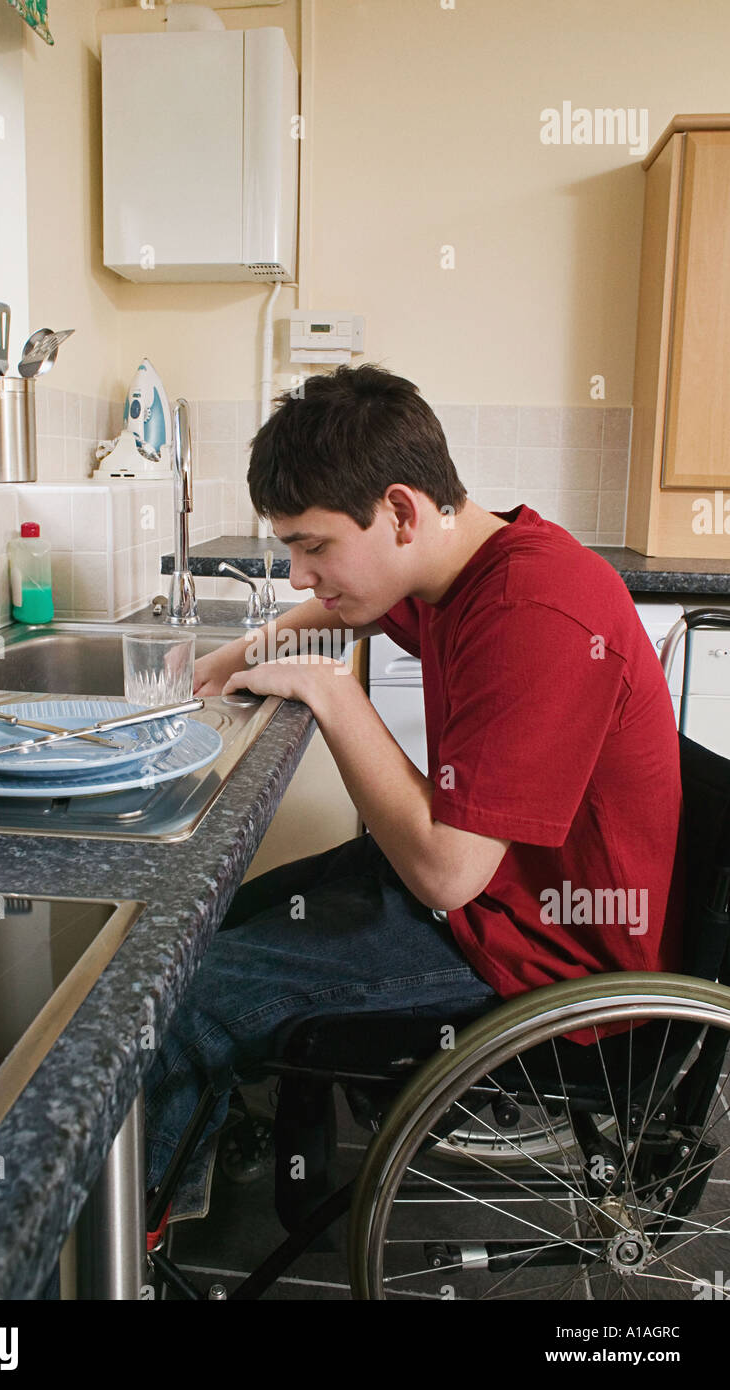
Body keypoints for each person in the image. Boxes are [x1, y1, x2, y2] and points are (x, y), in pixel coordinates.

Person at [143, 363, 685, 1232]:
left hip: (538, 945)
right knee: (208, 925)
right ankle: (188, 1169)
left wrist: (332, 695)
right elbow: (351, 612)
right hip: (501, 896)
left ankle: (133, 1244)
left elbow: (445, 875)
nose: (296, 576)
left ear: (398, 510)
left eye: (312, 547)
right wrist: (243, 652)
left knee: (178, 995)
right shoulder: (457, 565)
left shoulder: (535, 610)